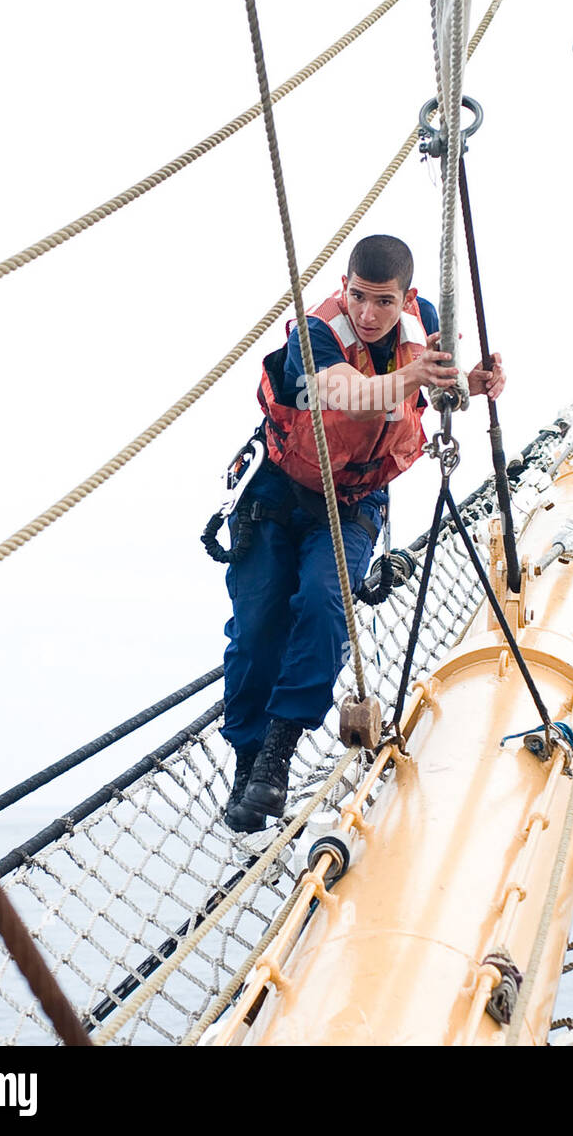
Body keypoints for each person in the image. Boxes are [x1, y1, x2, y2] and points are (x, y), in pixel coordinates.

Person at [221, 234, 504, 832]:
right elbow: (342, 394)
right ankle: (248, 757)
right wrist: (414, 378)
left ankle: (277, 755)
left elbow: (434, 388)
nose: (370, 315)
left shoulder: (421, 324)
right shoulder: (315, 331)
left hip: (351, 503)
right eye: (359, 297)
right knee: (258, 628)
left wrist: (474, 383)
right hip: (279, 495)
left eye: (384, 302)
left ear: (407, 298)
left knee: (326, 606)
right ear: (343, 287)